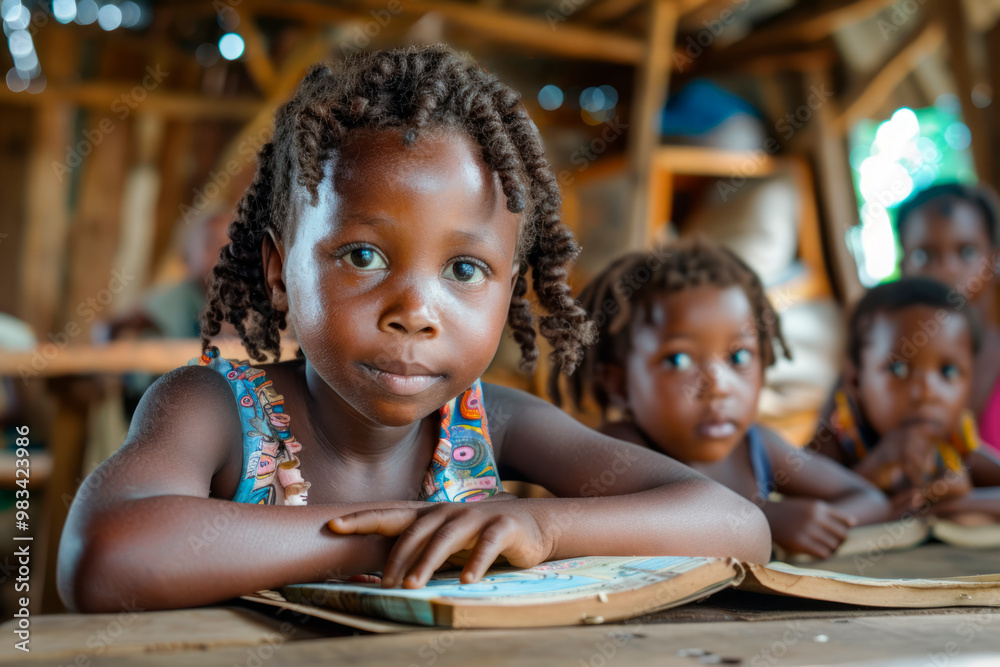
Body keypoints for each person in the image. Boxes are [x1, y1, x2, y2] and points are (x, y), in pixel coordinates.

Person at [57, 46, 770, 613]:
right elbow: (103, 554)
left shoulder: (492, 422)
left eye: (463, 269)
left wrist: (544, 528)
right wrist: (387, 534)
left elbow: (736, 524)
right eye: (362, 255)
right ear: (278, 271)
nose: (416, 310)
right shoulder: (211, 408)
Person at [558, 239, 889, 559]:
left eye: (739, 357)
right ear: (618, 384)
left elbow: (869, 498)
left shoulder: (757, 447)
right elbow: (608, 530)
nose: (718, 386)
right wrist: (762, 522)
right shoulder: (616, 453)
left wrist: (817, 522)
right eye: (678, 361)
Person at [811, 277, 1000, 520]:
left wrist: (962, 501)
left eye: (948, 372)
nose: (926, 392)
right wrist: (870, 475)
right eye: (898, 369)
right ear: (855, 379)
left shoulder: (956, 444)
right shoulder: (836, 441)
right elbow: (797, 511)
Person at [895, 183, 1000, 454]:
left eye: (966, 252)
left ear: (994, 261)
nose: (946, 269)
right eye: (924, 255)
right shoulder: (878, 361)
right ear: (903, 268)